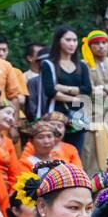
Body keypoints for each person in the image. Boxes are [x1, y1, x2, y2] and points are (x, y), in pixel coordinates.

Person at [39, 26, 93, 154]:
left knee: (75, 153)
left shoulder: (82, 65)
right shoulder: (49, 64)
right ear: (58, 41)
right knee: (55, 153)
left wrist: (63, 88)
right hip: (56, 115)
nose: (72, 44)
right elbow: (50, 91)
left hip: (78, 115)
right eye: (68, 40)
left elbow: (87, 89)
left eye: (74, 40)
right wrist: (74, 98)